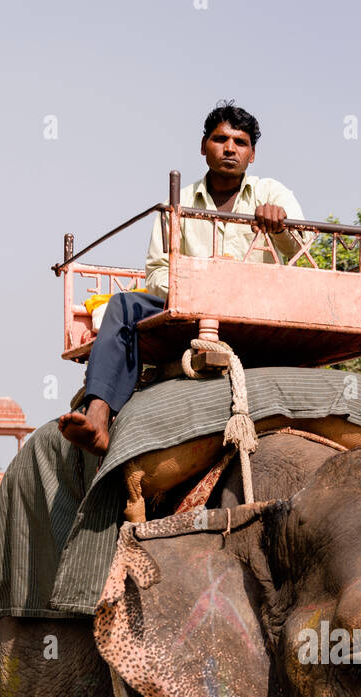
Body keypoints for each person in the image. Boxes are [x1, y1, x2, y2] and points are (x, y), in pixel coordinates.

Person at [58, 101, 303, 457]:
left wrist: (279, 224)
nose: (230, 148)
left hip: (256, 309)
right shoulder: (179, 203)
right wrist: (192, 290)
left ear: (252, 154)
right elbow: (157, 270)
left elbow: (304, 247)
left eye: (241, 142)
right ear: (204, 147)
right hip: (189, 310)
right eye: (220, 139)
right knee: (124, 304)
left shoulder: (272, 194)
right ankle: (98, 415)